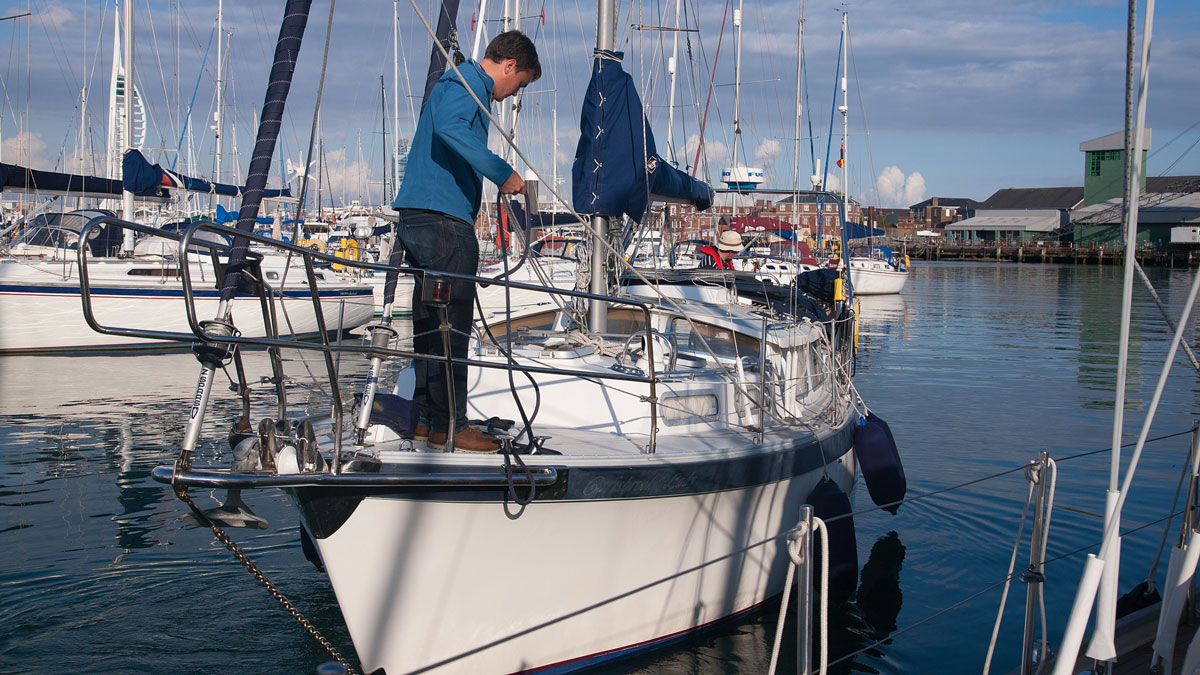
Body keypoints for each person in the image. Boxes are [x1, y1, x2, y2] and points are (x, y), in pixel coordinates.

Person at [392, 31, 541, 453]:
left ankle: (427, 419)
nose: (515, 94)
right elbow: (452, 128)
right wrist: (502, 172)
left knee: (428, 324)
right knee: (450, 325)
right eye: (521, 84)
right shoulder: (468, 84)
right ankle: (451, 426)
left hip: (420, 215)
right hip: (443, 220)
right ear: (510, 66)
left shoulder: (453, 82)